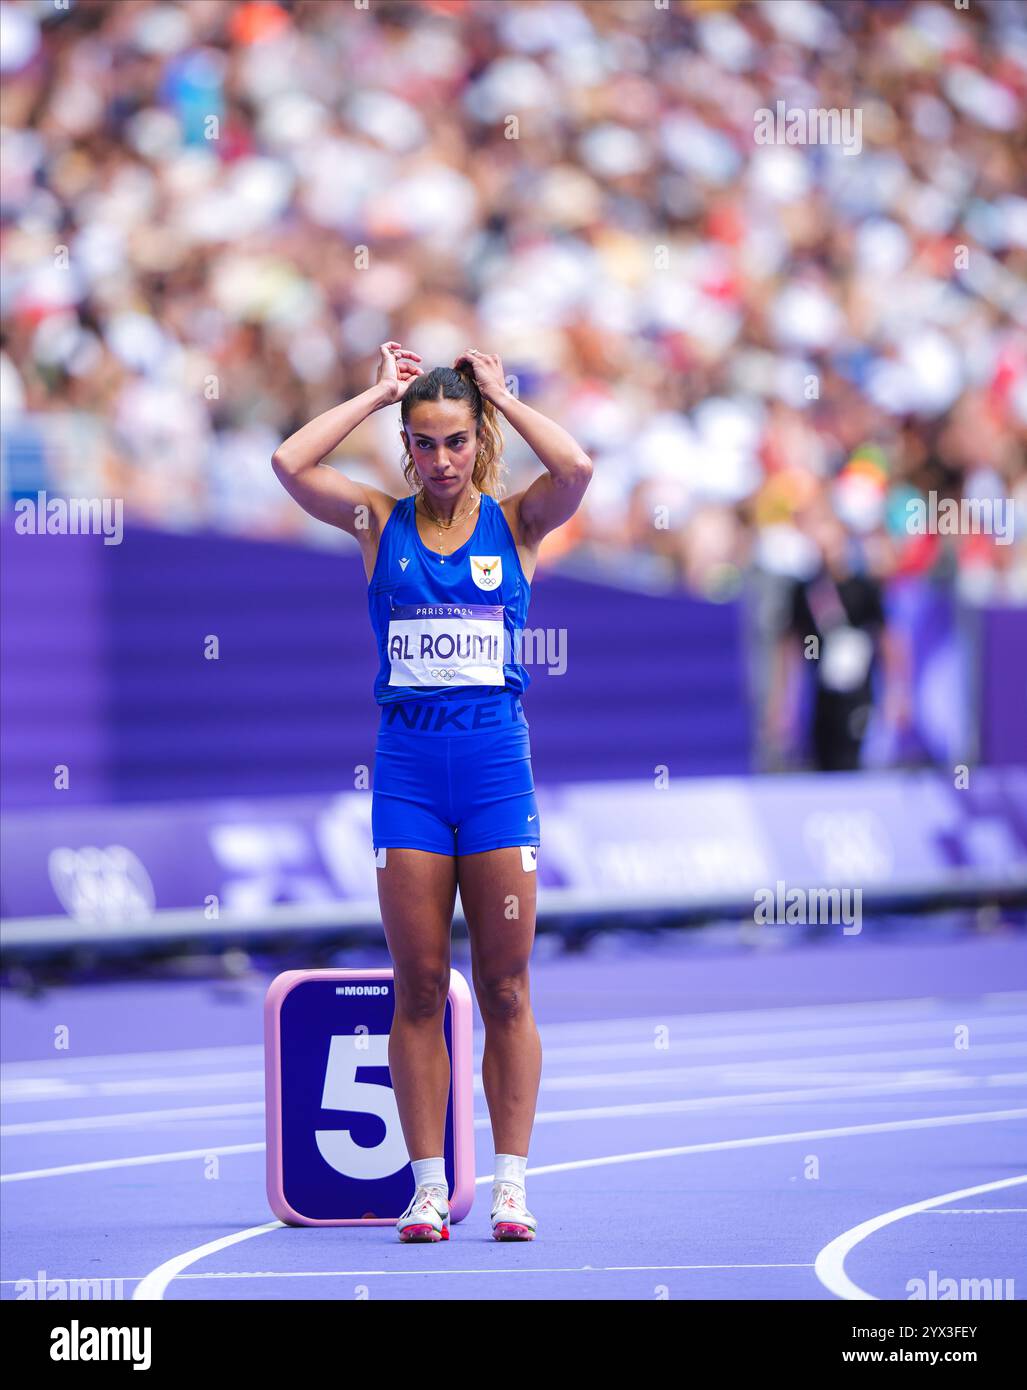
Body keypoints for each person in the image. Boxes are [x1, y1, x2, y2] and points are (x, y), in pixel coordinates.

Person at [272, 342, 592, 1241]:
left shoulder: (519, 524)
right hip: (408, 779)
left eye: (455, 442)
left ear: (477, 439)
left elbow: (575, 465)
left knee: (506, 987)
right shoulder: (379, 523)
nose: (441, 461)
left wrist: (502, 393)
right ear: (405, 447)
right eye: (423, 443)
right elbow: (289, 463)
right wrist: (375, 392)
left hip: (495, 776)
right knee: (417, 985)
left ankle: (512, 1186)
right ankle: (423, 1186)